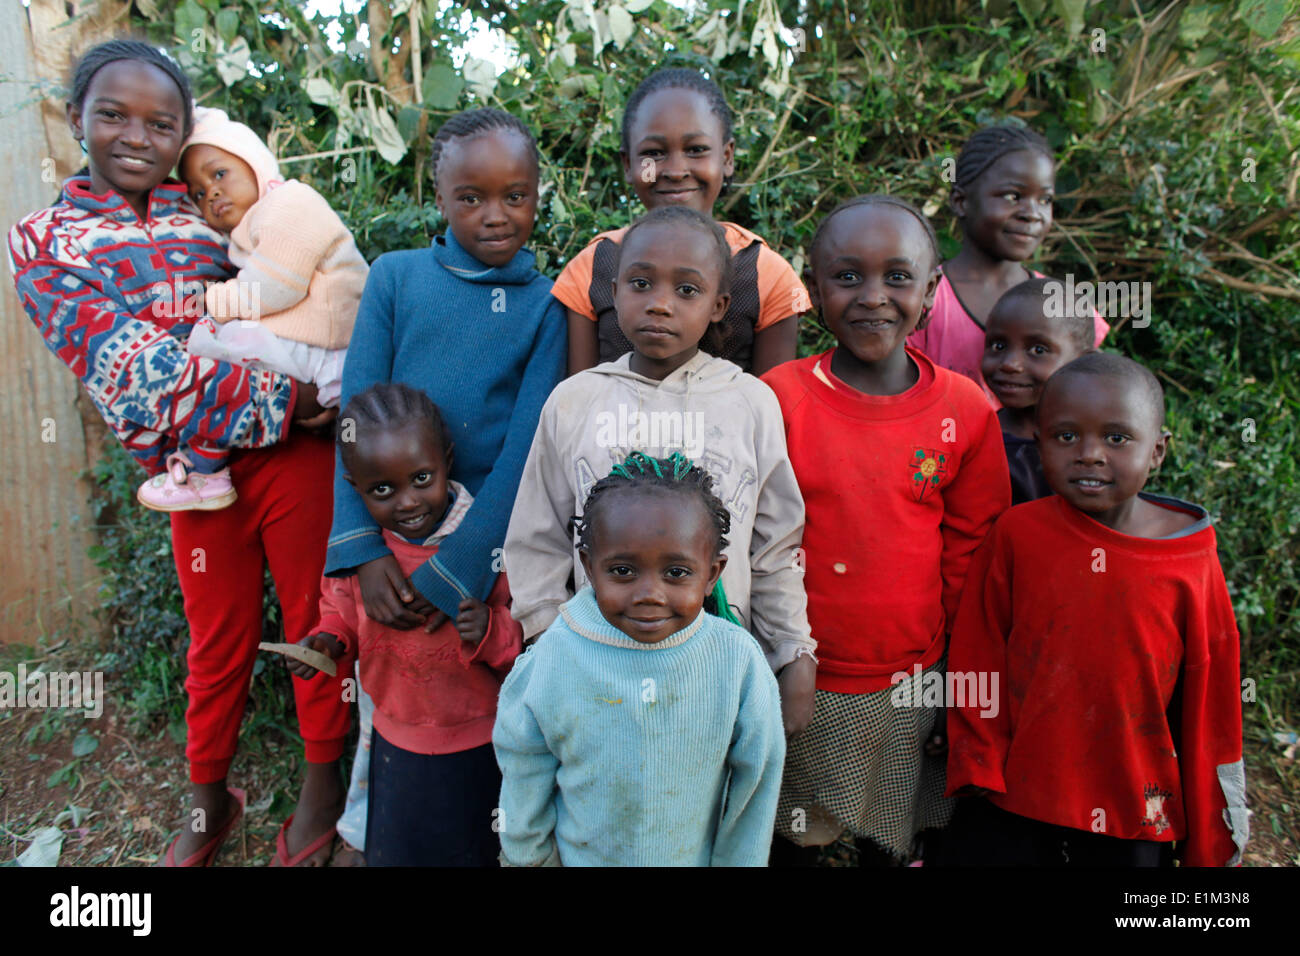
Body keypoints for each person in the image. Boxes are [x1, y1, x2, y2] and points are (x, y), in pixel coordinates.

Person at [8, 39, 349, 866]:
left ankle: (325, 791)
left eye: (163, 122)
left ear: (185, 132)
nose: (138, 135)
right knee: (218, 636)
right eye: (114, 115)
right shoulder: (44, 240)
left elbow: (297, 280)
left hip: (288, 460)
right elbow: (131, 377)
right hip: (199, 475)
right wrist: (292, 400)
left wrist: (319, 376)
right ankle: (208, 798)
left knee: (315, 621)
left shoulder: (208, 207)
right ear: (74, 116)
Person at [322, 107, 566, 860]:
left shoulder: (549, 304)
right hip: (392, 537)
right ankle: (386, 827)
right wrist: (364, 550)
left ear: (537, 195)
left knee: (483, 704)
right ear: (440, 197)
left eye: (515, 195)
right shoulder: (396, 279)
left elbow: (528, 450)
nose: (496, 216)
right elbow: (356, 419)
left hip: (483, 553)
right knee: (393, 707)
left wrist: (462, 570)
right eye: (472, 198)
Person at [761, 195, 1010, 865]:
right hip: (800, 678)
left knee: (885, 844)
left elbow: (972, 553)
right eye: (847, 276)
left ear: (931, 292)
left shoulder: (965, 411)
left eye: (898, 277)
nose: (874, 297)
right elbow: (756, 544)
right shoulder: (778, 398)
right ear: (814, 289)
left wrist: (958, 679)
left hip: (914, 681)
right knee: (797, 844)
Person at [505, 205, 817, 739]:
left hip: (715, 673)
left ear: (720, 306)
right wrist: (547, 641)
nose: (660, 304)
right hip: (594, 666)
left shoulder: (750, 404)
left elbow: (775, 549)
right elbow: (537, 539)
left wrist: (794, 651)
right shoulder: (574, 403)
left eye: (687, 291)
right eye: (641, 283)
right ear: (615, 288)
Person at [941, 353, 1249, 867]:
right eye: (1065, 437)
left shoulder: (1189, 556)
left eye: (1117, 438)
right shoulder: (1020, 534)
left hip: (1136, 804)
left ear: (1158, 451)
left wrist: (1210, 842)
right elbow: (980, 651)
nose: (1089, 454)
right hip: (1018, 790)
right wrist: (978, 758)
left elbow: (1209, 702)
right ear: (1038, 445)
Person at [494, 452, 786, 865]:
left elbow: (755, 783)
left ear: (713, 574)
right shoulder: (556, 656)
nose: (650, 593)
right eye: (624, 571)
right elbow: (524, 764)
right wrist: (528, 858)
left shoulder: (737, 664)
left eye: (677, 573)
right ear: (589, 568)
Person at [288, 384, 522, 866]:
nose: (408, 502)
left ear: (448, 461)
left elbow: (524, 644)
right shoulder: (365, 554)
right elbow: (339, 610)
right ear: (355, 489)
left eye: (421, 478)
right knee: (400, 849)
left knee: (475, 849)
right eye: (382, 490)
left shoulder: (481, 547)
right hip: (394, 738)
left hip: (480, 738)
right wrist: (329, 642)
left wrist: (490, 629)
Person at [136, 106, 368, 512]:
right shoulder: (251, 227)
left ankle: (203, 468)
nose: (212, 193)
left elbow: (274, 287)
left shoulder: (290, 202)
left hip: (332, 346)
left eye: (219, 173)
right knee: (220, 360)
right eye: (198, 192)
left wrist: (211, 303)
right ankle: (208, 461)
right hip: (313, 348)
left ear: (255, 163)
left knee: (209, 344)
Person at [552, 67, 810, 376]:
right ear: (628, 164)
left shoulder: (767, 275)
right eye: (654, 153)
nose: (675, 170)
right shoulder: (592, 267)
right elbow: (575, 400)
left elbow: (773, 411)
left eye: (696, 150)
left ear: (727, 158)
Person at [907, 124, 1108, 403]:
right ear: (961, 201)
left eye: (1045, 200)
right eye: (1013, 196)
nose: (1032, 214)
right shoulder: (924, 300)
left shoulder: (1062, 305)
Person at [981, 277, 1094, 504]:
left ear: (1082, 362)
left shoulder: (1094, 446)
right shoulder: (976, 440)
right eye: (998, 346)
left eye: (1038, 350)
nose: (1010, 364)